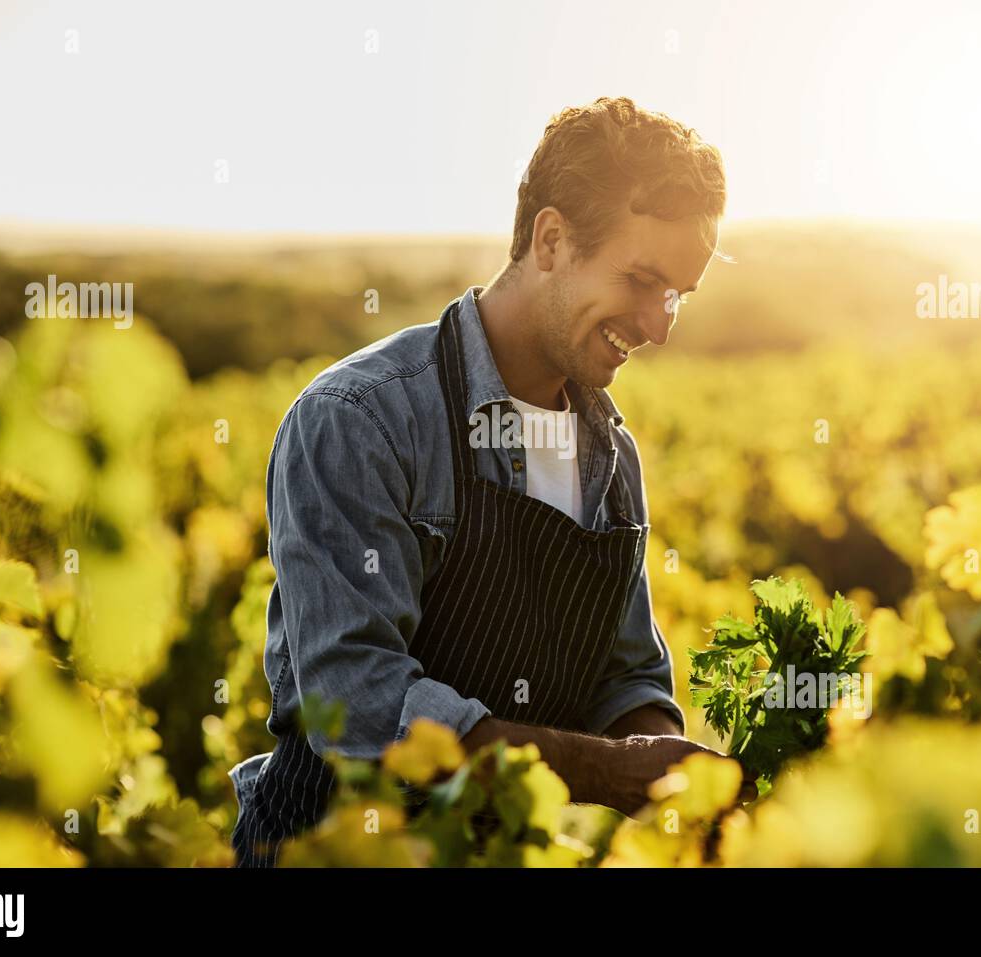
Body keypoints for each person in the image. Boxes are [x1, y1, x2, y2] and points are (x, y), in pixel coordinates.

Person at [231, 96, 730, 867]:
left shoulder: (610, 457)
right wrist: (601, 768)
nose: (659, 325)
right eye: (641, 280)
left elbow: (625, 673)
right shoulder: (361, 418)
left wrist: (668, 769)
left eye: (676, 297)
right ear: (553, 239)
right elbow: (359, 704)